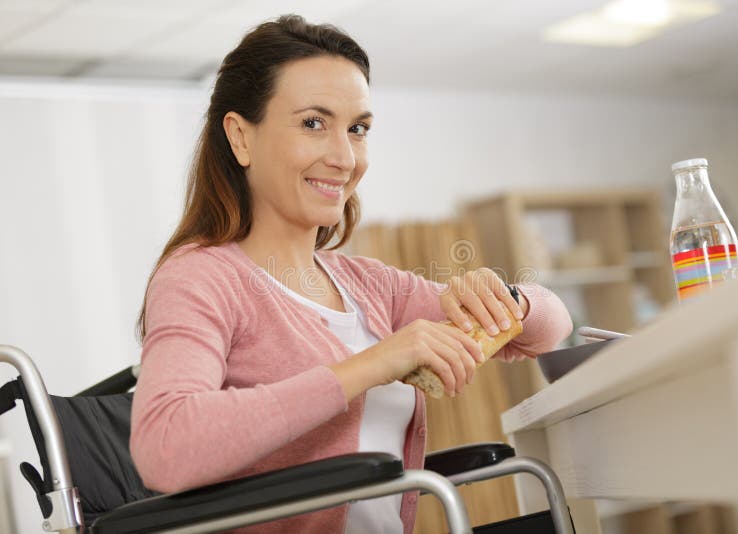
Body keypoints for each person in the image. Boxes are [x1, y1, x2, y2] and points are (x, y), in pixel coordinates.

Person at [129, 14, 573, 534]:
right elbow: (166, 447)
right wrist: (374, 363)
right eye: (314, 123)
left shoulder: (367, 285)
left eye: (358, 129)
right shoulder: (202, 278)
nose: (344, 157)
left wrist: (509, 299)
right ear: (240, 138)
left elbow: (549, 329)